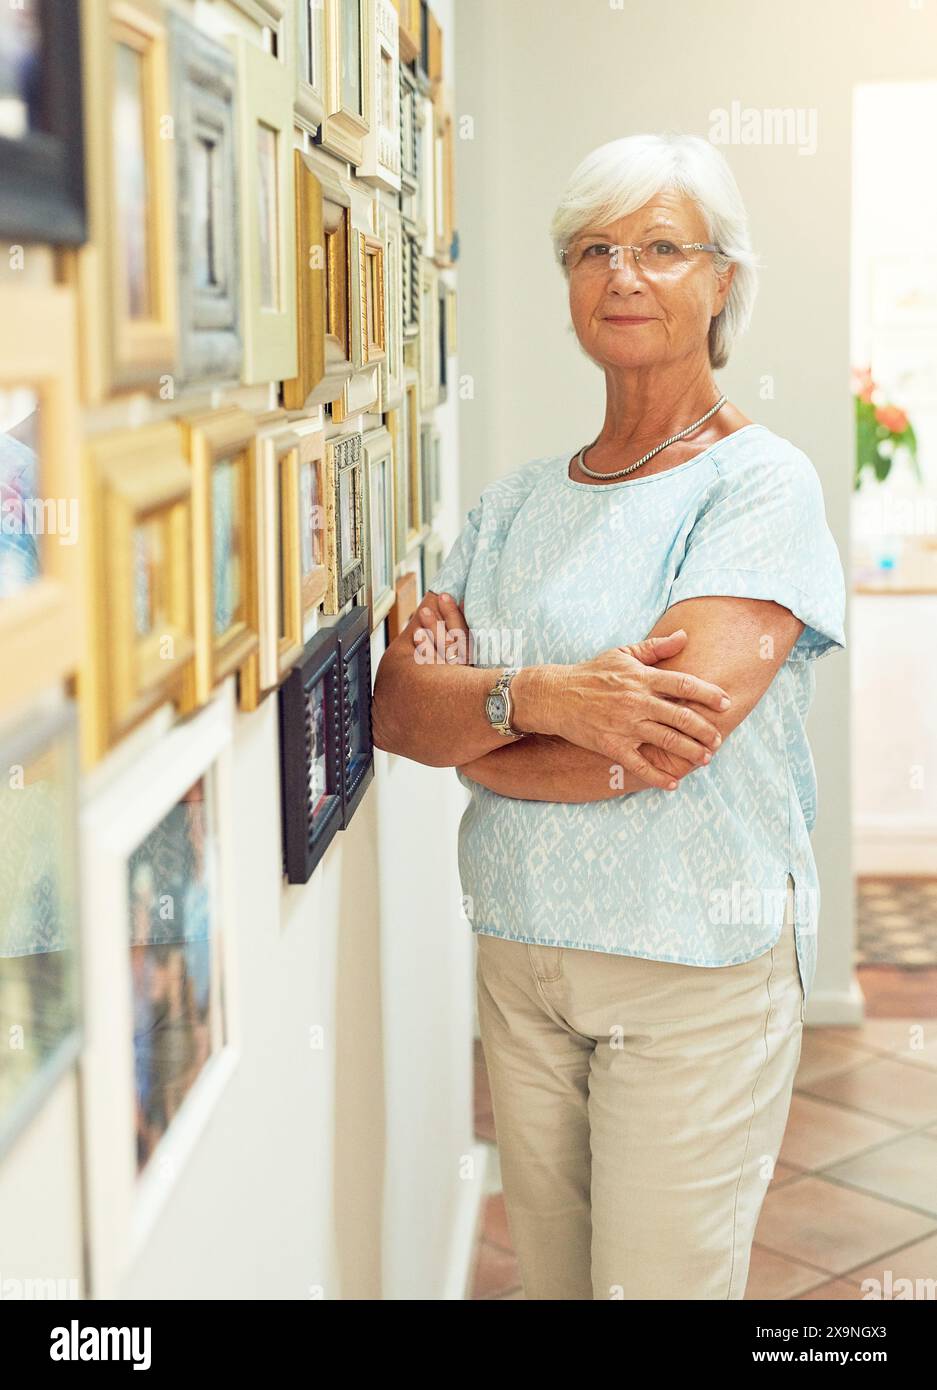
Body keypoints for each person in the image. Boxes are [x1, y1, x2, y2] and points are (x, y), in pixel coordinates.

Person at [371, 131, 846, 1300]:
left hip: (691, 965)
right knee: (554, 1284)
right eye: (593, 249)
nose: (622, 275)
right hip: (522, 956)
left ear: (722, 280)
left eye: (659, 247)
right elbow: (397, 707)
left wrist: (479, 736)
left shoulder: (758, 486)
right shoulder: (515, 502)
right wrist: (545, 698)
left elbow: (655, 745)